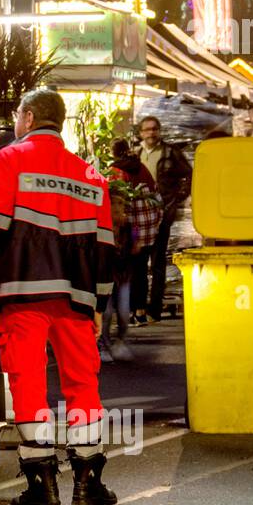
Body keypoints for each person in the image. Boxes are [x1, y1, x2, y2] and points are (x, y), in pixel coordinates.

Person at [0, 88, 117, 505]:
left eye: (17, 114)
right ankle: (88, 484)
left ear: (28, 117)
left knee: (29, 385)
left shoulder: (9, 158)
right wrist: (100, 307)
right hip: (77, 300)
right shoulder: (90, 176)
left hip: (23, 295)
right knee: (83, 386)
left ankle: (42, 488)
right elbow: (105, 248)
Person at [101, 140, 159, 362]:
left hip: (122, 274)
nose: (118, 210)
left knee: (122, 313)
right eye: (114, 206)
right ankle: (106, 343)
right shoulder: (103, 226)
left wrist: (135, 243)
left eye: (121, 207)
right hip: (107, 275)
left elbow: (133, 235)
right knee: (106, 313)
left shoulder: (126, 225)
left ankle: (121, 341)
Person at [132, 115, 192, 324]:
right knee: (137, 263)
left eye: (154, 129)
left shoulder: (170, 152)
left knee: (157, 264)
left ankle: (154, 310)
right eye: (147, 129)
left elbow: (189, 175)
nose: (151, 133)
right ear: (141, 133)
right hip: (137, 218)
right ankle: (137, 309)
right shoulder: (135, 154)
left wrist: (178, 199)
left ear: (159, 131)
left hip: (161, 215)